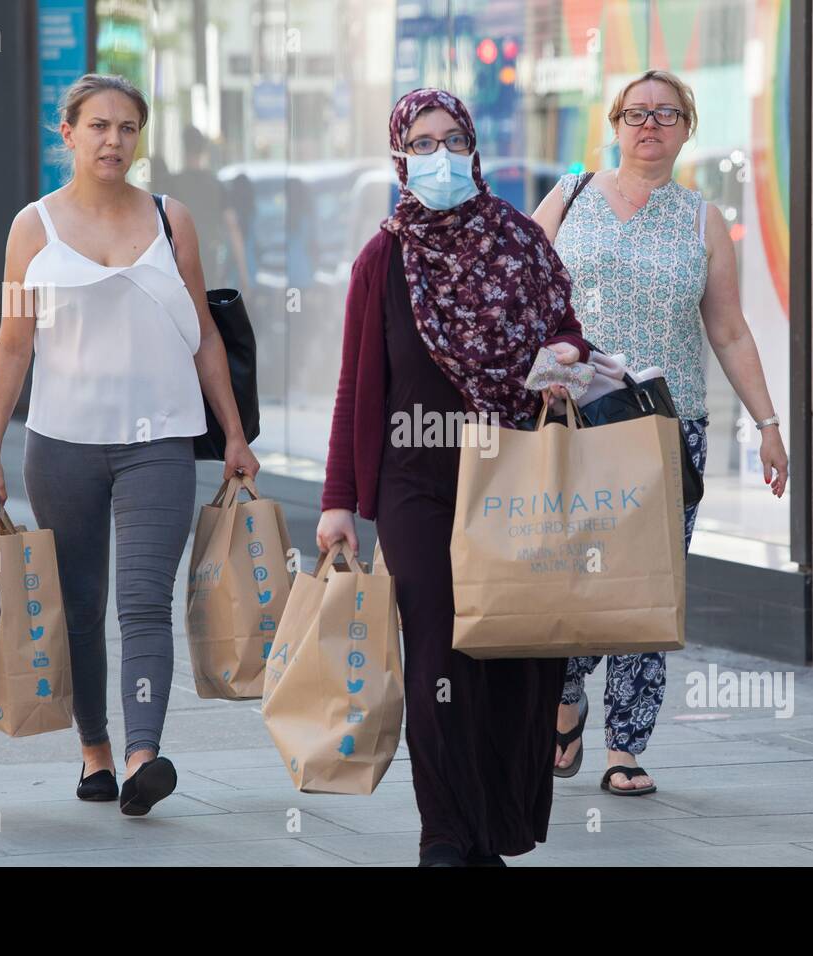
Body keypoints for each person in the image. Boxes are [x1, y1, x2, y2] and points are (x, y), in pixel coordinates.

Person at [0, 73, 257, 815]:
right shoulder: (33, 227)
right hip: (60, 445)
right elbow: (12, 346)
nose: (113, 141)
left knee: (144, 600)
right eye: (98, 126)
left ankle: (142, 756)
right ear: (68, 134)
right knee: (81, 604)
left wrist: (233, 434)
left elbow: (204, 336)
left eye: (127, 128)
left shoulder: (170, 218)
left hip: (158, 443)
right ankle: (95, 748)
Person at [316, 88, 591, 866]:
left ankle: (494, 829)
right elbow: (354, 384)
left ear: (474, 148)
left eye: (454, 140)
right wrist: (338, 500)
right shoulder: (383, 259)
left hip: (516, 477)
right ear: (400, 159)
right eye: (423, 143)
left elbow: (568, 328)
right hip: (417, 485)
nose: (441, 156)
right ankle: (444, 832)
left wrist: (563, 353)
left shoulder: (521, 243)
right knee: (438, 656)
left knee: (515, 654)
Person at [532, 68, 788, 796]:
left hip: (666, 430)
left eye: (667, 114)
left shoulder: (703, 219)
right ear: (615, 124)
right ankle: (566, 693)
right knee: (574, 578)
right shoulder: (569, 195)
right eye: (637, 112)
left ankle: (626, 747)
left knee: (650, 587)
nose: (651, 124)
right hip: (575, 420)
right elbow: (521, 294)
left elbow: (729, 330)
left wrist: (768, 425)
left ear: (686, 130)